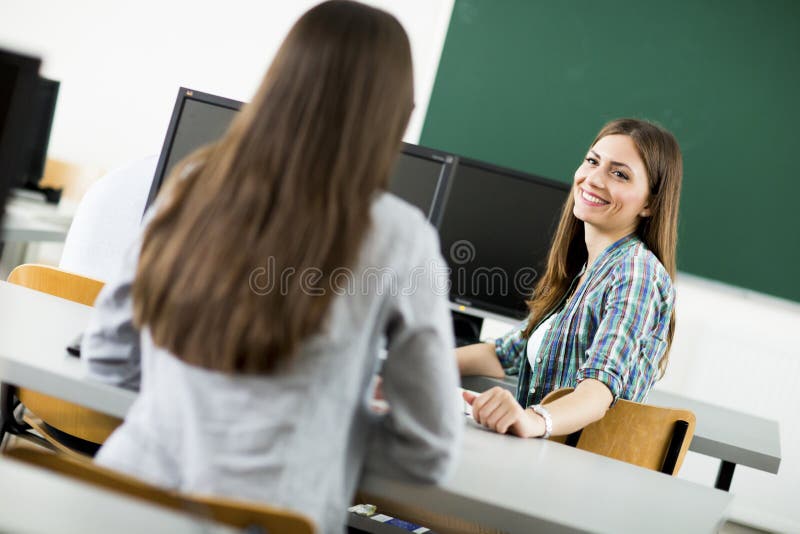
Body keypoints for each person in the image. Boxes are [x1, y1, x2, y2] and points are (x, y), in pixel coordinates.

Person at [80, 1, 462, 531]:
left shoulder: (193, 183)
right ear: (393, 113)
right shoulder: (400, 236)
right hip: (271, 516)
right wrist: (315, 437)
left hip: (123, 501)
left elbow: (106, 357)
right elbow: (429, 449)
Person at [459, 118, 682, 439]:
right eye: (592, 161)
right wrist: (414, 361)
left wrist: (534, 420)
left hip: (576, 466)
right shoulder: (586, 271)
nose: (593, 178)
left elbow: (598, 389)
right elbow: (504, 354)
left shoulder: (635, 272)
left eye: (619, 174)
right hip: (544, 452)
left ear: (649, 203)